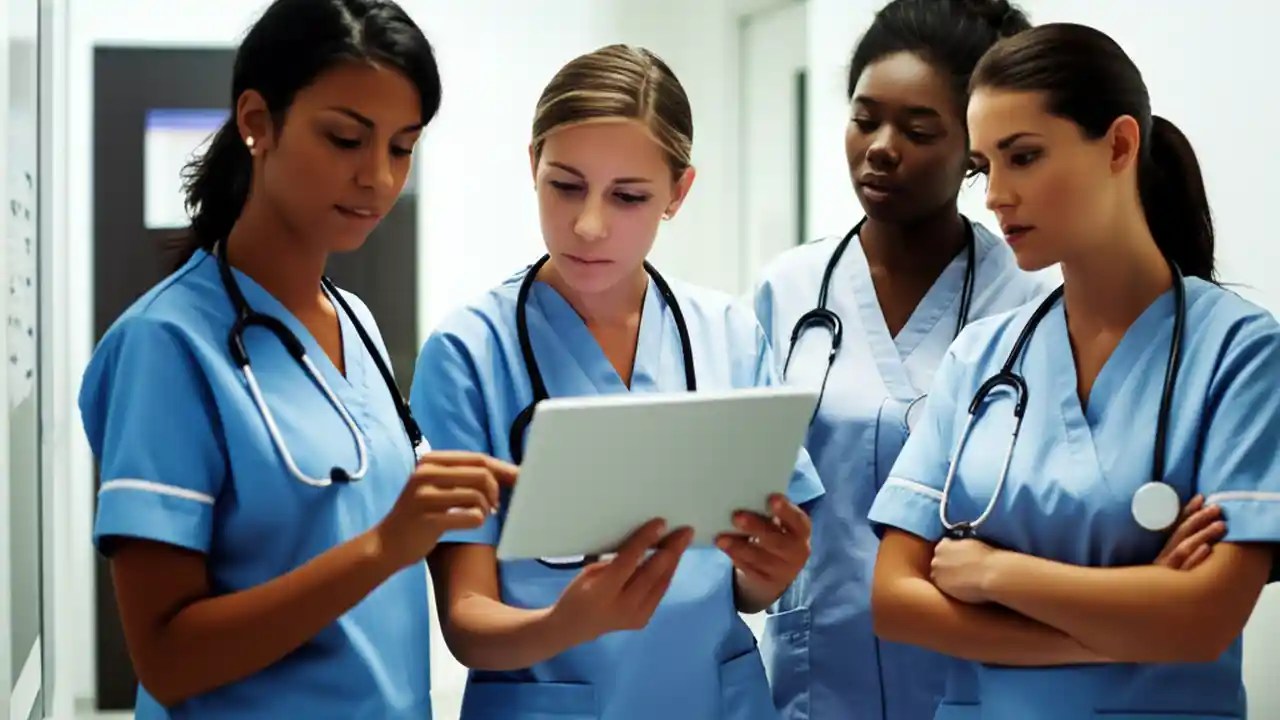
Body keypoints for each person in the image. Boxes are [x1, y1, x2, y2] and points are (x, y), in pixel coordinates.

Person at [77, 2, 516, 717]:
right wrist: (381, 548)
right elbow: (166, 657)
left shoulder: (355, 321)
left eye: (402, 148)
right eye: (346, 138)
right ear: (257, 121)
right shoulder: (166, 346)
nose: (377, 177)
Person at [868, 22, 1278, 720]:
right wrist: (1130, 622)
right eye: (982, 166)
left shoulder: (1241, 354)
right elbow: (895, 602)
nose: (995, 194)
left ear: (1119, 144)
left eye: (1022, 157)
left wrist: (994, 572)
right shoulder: (982, 358)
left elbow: (1205, 619)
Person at [410, 44, 824, 720]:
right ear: (532, 164)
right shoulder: (469, 352)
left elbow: (744, 588)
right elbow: (465, 619)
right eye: (565, 185)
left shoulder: (728, 335)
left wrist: (767, 572)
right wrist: (567, 623)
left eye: (629, 197)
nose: (589, 224)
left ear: (678, 193)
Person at [752, 2, 1050, 718]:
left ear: (974, 149)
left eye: (919, 131)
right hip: (813, 676)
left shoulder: (1030, 304)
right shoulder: (787, 291)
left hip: (968, 677)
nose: (882, 147)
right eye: (864, 119)